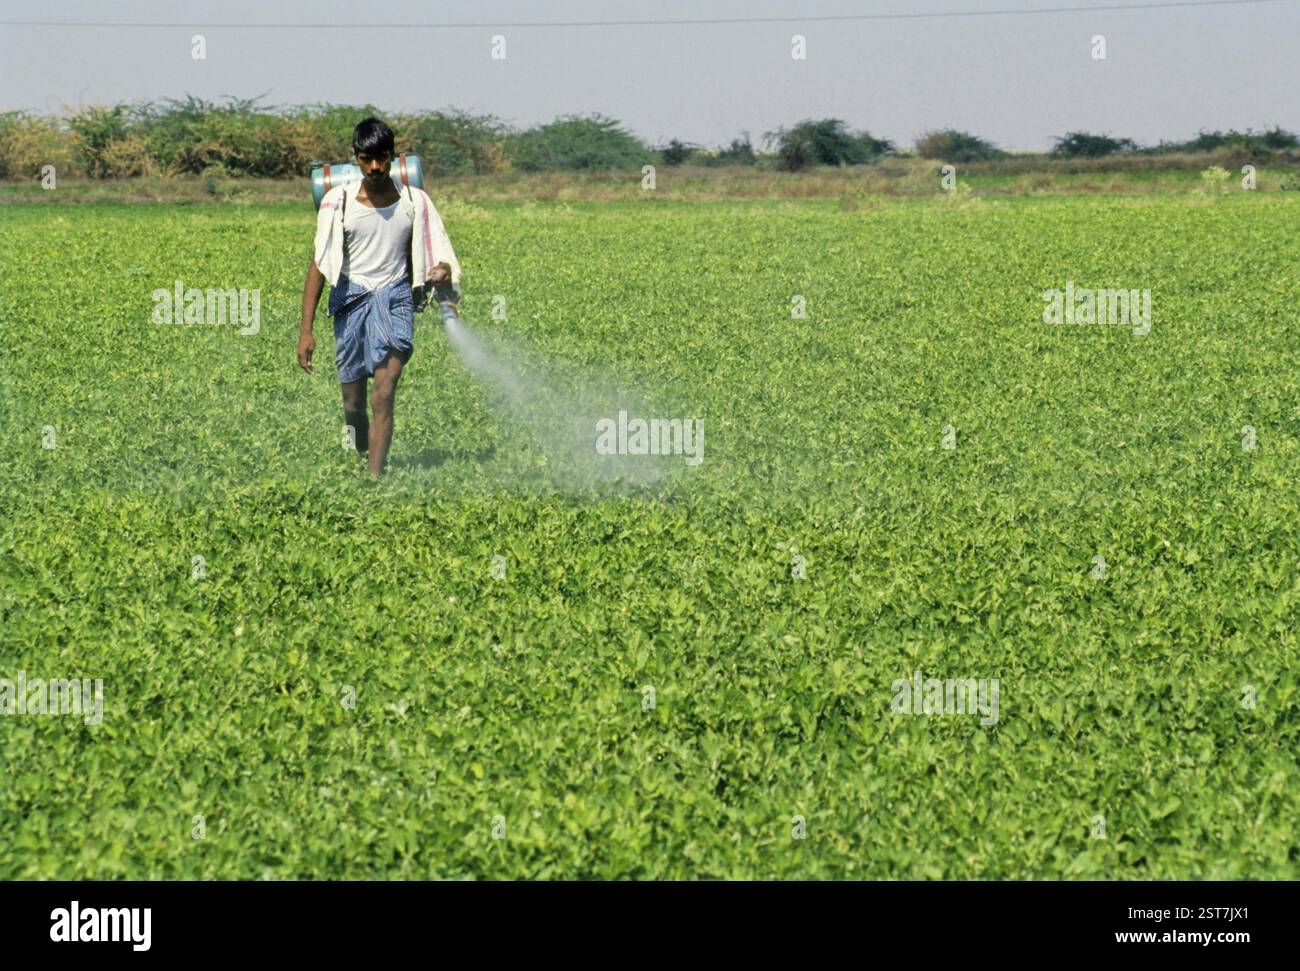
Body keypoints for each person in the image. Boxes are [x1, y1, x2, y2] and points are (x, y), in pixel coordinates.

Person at [297, 117, 461, 476]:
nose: (374, 167)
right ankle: (360, 450)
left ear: (392, 157)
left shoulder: (414, 200)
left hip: (395, 298)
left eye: (381, 158)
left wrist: (440, 269)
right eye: (366, 159)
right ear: (356, 159)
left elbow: (436, 247)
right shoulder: (338, 203)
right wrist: (306, 331)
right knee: (353, 403)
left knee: (383, 394)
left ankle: (375, 479)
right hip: (351, 300)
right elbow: (320, 265)